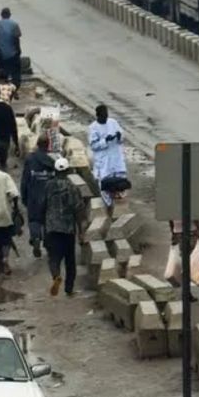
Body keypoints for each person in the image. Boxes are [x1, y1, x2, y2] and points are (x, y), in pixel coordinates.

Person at [43, 157, 85, 296]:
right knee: (70, 261)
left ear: (55, 171)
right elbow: (78, 210)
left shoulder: (48, 186)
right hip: (68, 229)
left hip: (52, 227)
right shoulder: (72, 188)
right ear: (68, 171)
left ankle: (56, 276)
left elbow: (42, 205)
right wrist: (81, 231)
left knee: (53, 258)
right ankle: (69, 288)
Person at [21, 136, 55, 259]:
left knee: (34, 220)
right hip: (48, 196)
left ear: (37, 144)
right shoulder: (52, 161)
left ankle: (35, 238)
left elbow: (25, 180)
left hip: (33, 196)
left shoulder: (30, 159)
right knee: (47, 221)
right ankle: (47, 242)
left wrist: (24, 196)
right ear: (48, 145)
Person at [88, 104, 128, 207]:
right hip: (104, 160)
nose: (105, 118)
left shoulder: (113, 122)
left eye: (106, 116)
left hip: (116, 158)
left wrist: (119, 136)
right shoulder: (93, 127)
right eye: (103, 116)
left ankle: (119, 204)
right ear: (98, 116)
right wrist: (105, 140)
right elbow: (93, 146)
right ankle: (108, 206)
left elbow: (122, 136)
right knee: (105, 185)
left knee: (120, 183)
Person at [0, 7, 23, 90]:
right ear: (9, 15)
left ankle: (2, 89)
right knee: (15, 73)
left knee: (2, 73)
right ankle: (14, 89)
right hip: (13, 54)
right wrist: (18, 51)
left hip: (1, 54)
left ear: (1, 15)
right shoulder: (14, 25)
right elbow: (17, 37)